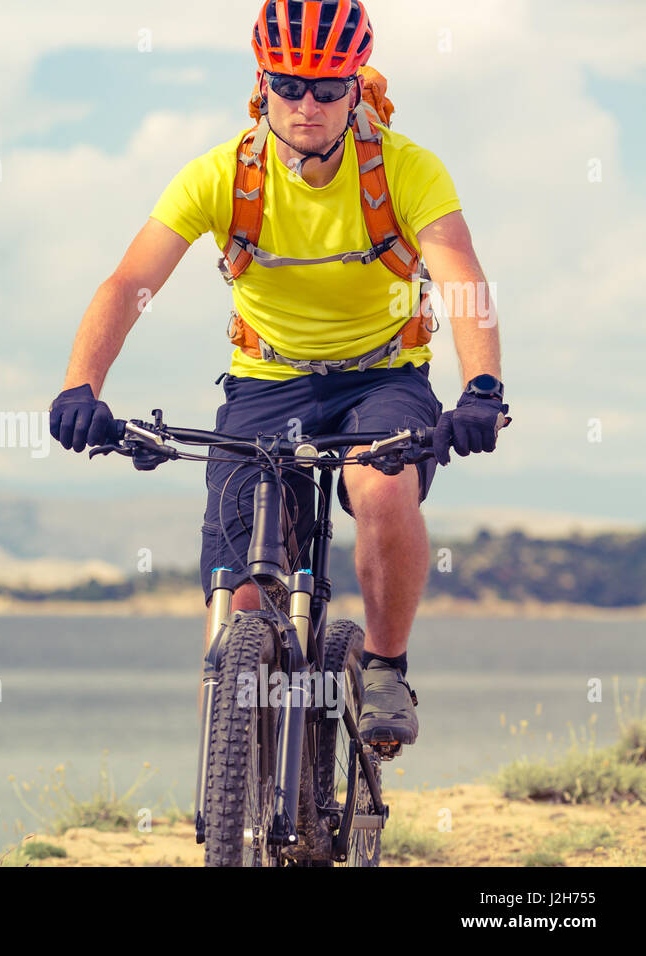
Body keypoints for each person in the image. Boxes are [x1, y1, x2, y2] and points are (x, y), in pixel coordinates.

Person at [48, 0, 508, 753]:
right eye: (291, 85)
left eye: (329, 88)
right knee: (243, 585)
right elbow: (129, 282)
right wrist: (80, 388)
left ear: (356, 88)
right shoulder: (221, 174)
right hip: (267, 384)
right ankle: (232, 754)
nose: (309, 105)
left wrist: (481, 389)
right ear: (262, 85)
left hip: (381, 375)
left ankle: (387, 668)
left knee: (381, 485)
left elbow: (460, 279)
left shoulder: (406, 168)